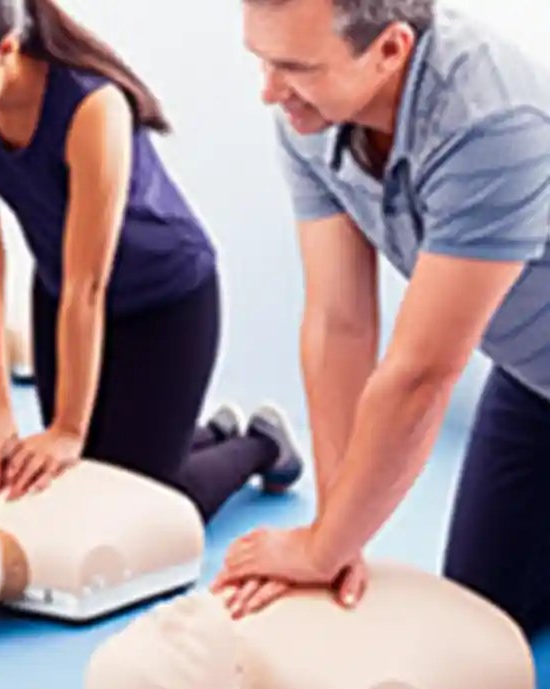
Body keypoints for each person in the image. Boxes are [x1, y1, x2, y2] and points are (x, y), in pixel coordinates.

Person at [213, 0, 550, 638]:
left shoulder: (492, 119)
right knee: (480, 625)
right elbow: (339, 325)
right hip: (534, 379)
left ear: (390, 50)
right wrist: (340, 536)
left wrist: (318, 548)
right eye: (262, 61)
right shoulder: (311, 114)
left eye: (292, 67)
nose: (268, 91)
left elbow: (421, 376)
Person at [0, 0, 306, 523]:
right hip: (58, 290)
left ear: (5, 51)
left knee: (141, 506)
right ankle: (208, 433)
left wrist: (68, 430)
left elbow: (88, 284)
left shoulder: (94, 107)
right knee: (72, 479)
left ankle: (261, 443)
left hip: (165, 299)